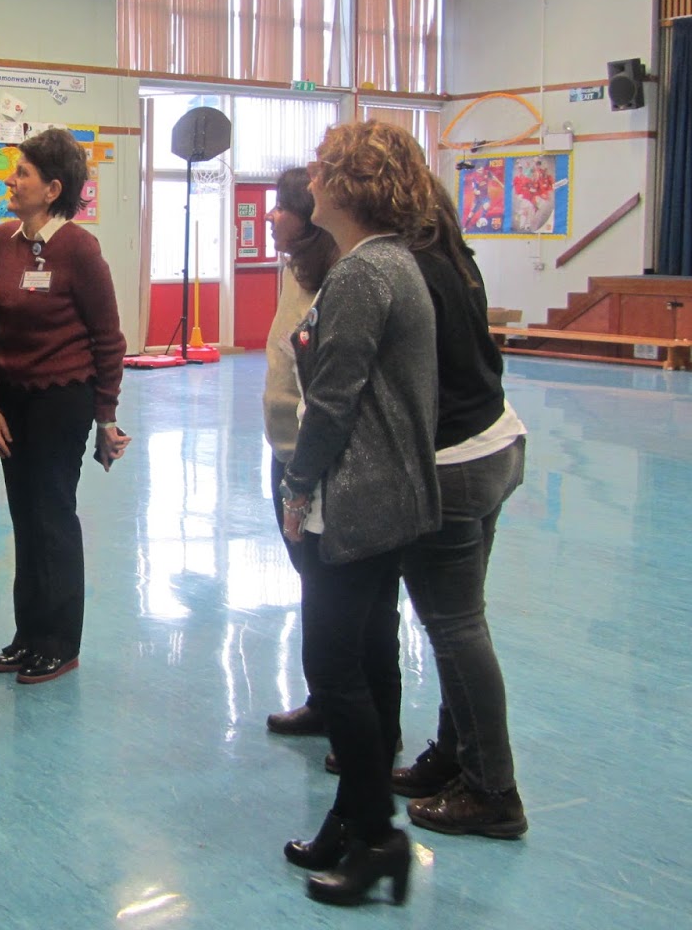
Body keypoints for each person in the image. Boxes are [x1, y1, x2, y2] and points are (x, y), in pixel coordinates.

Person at [279, 120, 438, 907]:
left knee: (334, 666)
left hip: (359, 498)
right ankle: (350, 817)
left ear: (349, 186)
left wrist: (296, 488)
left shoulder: (362, 276)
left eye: (324, 167)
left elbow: (333, 402)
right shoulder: (390, 264)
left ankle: (378, 836)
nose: (312, 176)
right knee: (368, 659)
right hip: (392, 497)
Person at [392, 180, 529, 838]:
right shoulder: (453, 256)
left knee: (455, 625)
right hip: (495, 441)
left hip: (454, 461)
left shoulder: (412, 268)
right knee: (457, 622)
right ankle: (455, 756)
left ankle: (491, 788)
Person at [0, 127, 129, 685]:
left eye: (23, 174)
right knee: (24, 518)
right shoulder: (1, 242)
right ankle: (28, 634)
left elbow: (109, 339)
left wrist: (105, 415)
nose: (11, 181)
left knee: (52, 516)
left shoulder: (79, 249)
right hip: (11, 404)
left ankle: (60, 641)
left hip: (63, 401)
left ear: (52, 188)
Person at [262, 167, 340, 735]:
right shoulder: (294, 269)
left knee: (333, 584)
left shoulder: (338, 277)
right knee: (310, 580)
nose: (269, 217)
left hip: (318, 458)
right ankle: (325, 698)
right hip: (285, 448)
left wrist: (304, 476)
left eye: (279, 209)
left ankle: (350, 713)